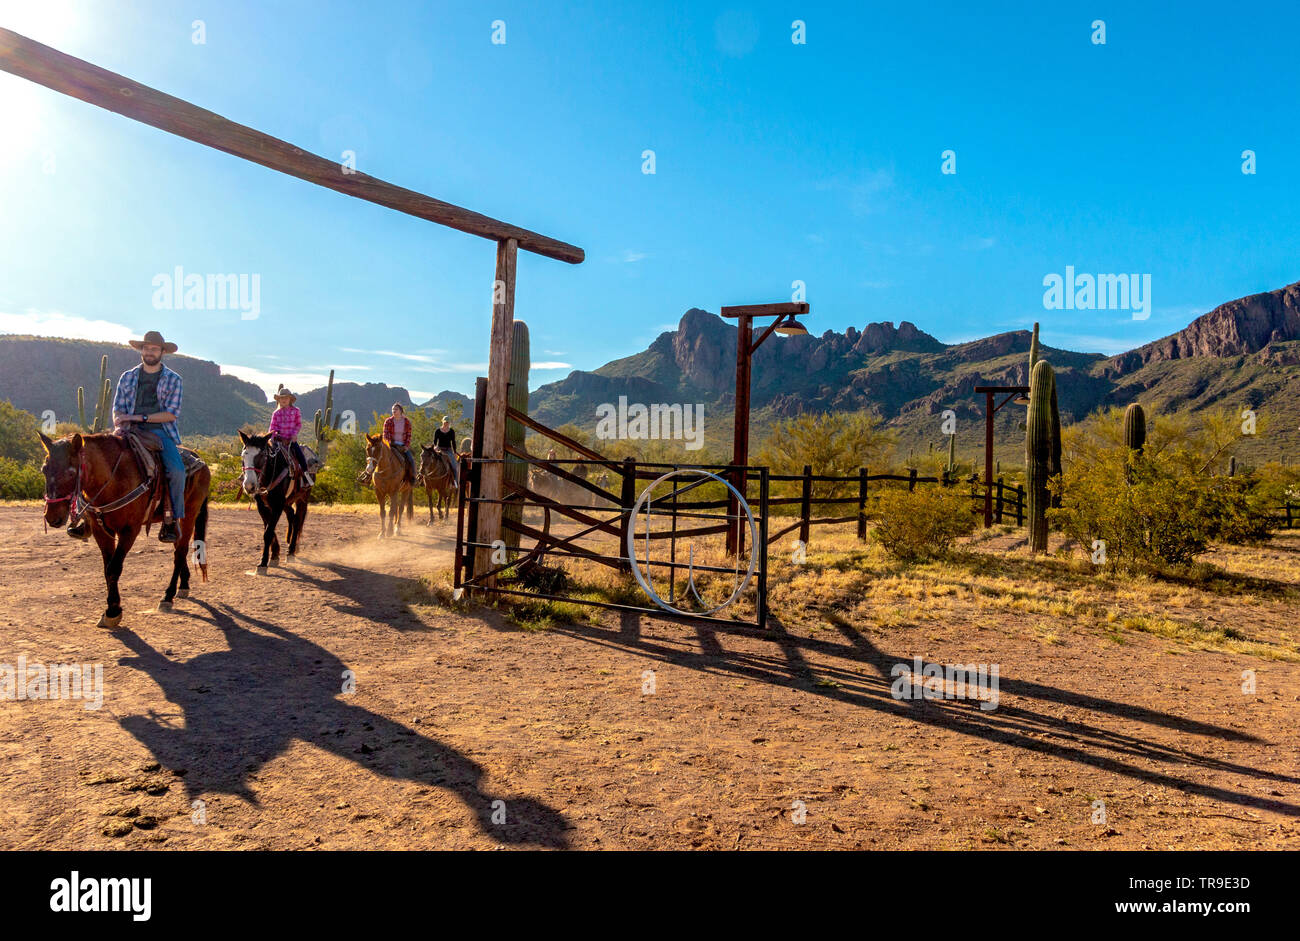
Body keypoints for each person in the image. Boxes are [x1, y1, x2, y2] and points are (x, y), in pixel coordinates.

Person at [100, 330, 186, 543]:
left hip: (159, 431)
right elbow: (118, 408)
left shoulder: (174, 379)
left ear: (162, 352)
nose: (150, 352)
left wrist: (141, 417)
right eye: (146, 348)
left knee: (176, 470)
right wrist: (121, 420)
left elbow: (171, 414)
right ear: (142, 350)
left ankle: (172, 519)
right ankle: (86, 514)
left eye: (154, 348)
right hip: (127, 429)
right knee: (96, 459)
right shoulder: (127, 377)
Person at [268, 386, 313, 487]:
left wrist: (295, 434)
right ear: (278, 400)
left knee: (300, 455)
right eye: (281, 398)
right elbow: (272, 428)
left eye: (286, 398)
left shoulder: (295, 410)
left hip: (291, 440)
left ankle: (306, 476)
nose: (283, 400)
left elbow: (298, 424)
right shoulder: (276, 413)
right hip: (279, 442)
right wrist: (273, 436)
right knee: (268, 457)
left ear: (290, 399)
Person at [382, 402, 417, 484]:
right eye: (393, 409)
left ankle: (413, 478)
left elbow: (409, 435)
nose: (394, 411)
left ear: (401, 411)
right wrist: (389, 443)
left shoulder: (406, 422)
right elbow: (385, 434)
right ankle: (371, 476)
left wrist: (406, 446)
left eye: (396, 409)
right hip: (391, 445)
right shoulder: (388, 421)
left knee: (411, 460)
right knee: (379, 457)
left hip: (402, 446)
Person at [432, 416, 459, 489]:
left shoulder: (451, 431)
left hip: (448, 450)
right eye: (445, 422)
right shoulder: (437, 431)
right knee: (430, 461)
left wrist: (455, 452)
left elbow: (453, 442)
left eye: (447, 422)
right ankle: (423, 479)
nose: (446, 423)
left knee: (454, 465)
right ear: (442, 422)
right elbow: (434, 441)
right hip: (440, 449)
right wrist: (435, 447)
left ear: (449, 423)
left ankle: (455, 483)